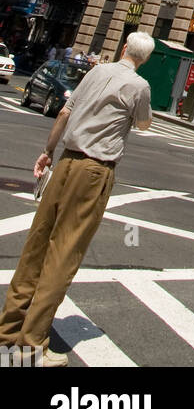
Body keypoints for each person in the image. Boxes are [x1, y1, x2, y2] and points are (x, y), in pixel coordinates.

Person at [0, 31, 154, 367]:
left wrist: (47, 152)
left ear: (124, 48)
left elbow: (65, 114)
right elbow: (143, 125)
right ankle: (31, 345)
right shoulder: (139, 87)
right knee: (64, 253)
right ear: (145, 59)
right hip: (94, 171)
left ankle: (8, 331)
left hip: (66, 160)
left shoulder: (95, 71)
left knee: (36, 245)